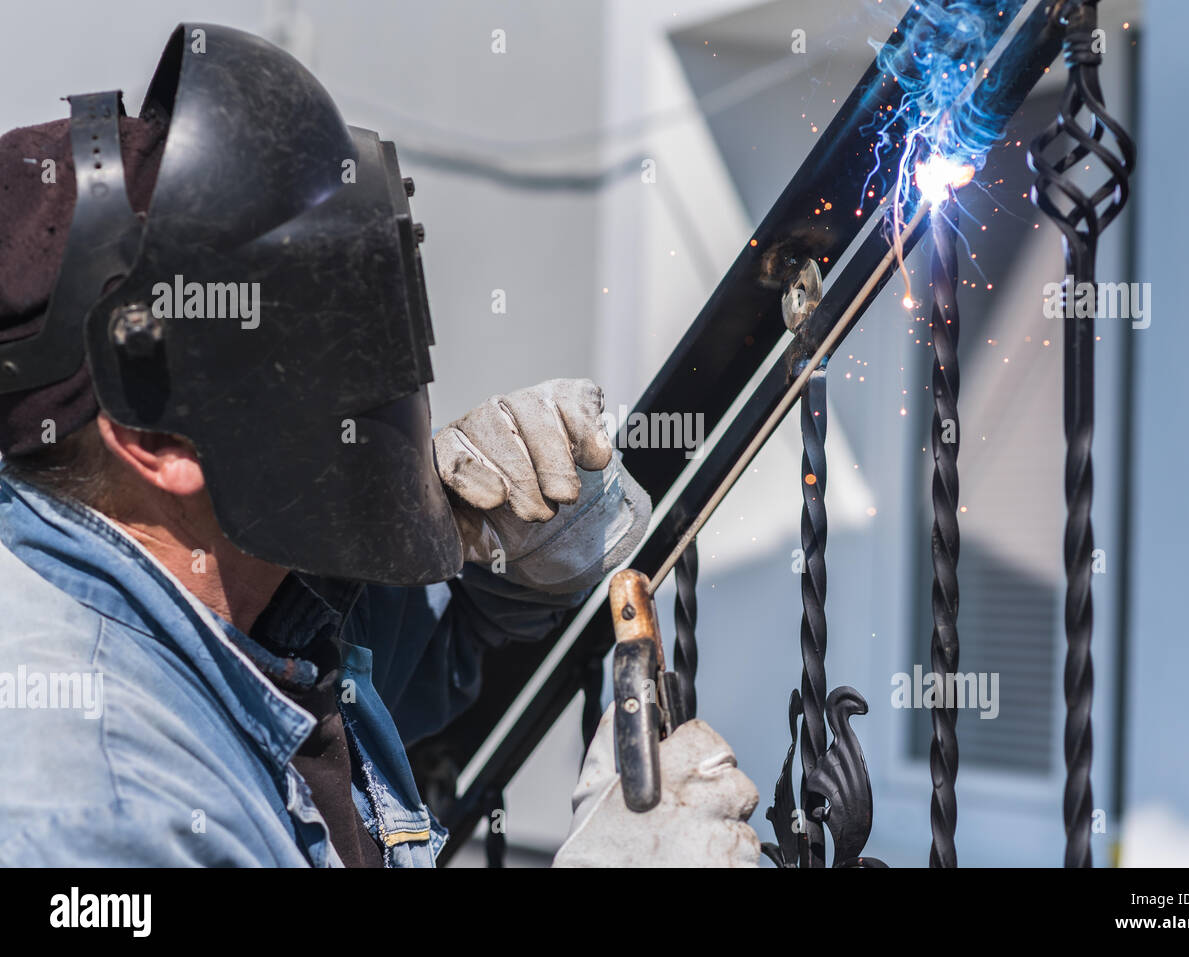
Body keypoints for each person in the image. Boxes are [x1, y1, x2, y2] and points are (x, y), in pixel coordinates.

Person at [0, 22, 759, 867]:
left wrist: (517, 548)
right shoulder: (94, 800)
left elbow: (421, 645)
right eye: (325, 338)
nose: (364, 382)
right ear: (156, 436)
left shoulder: (240, 591)